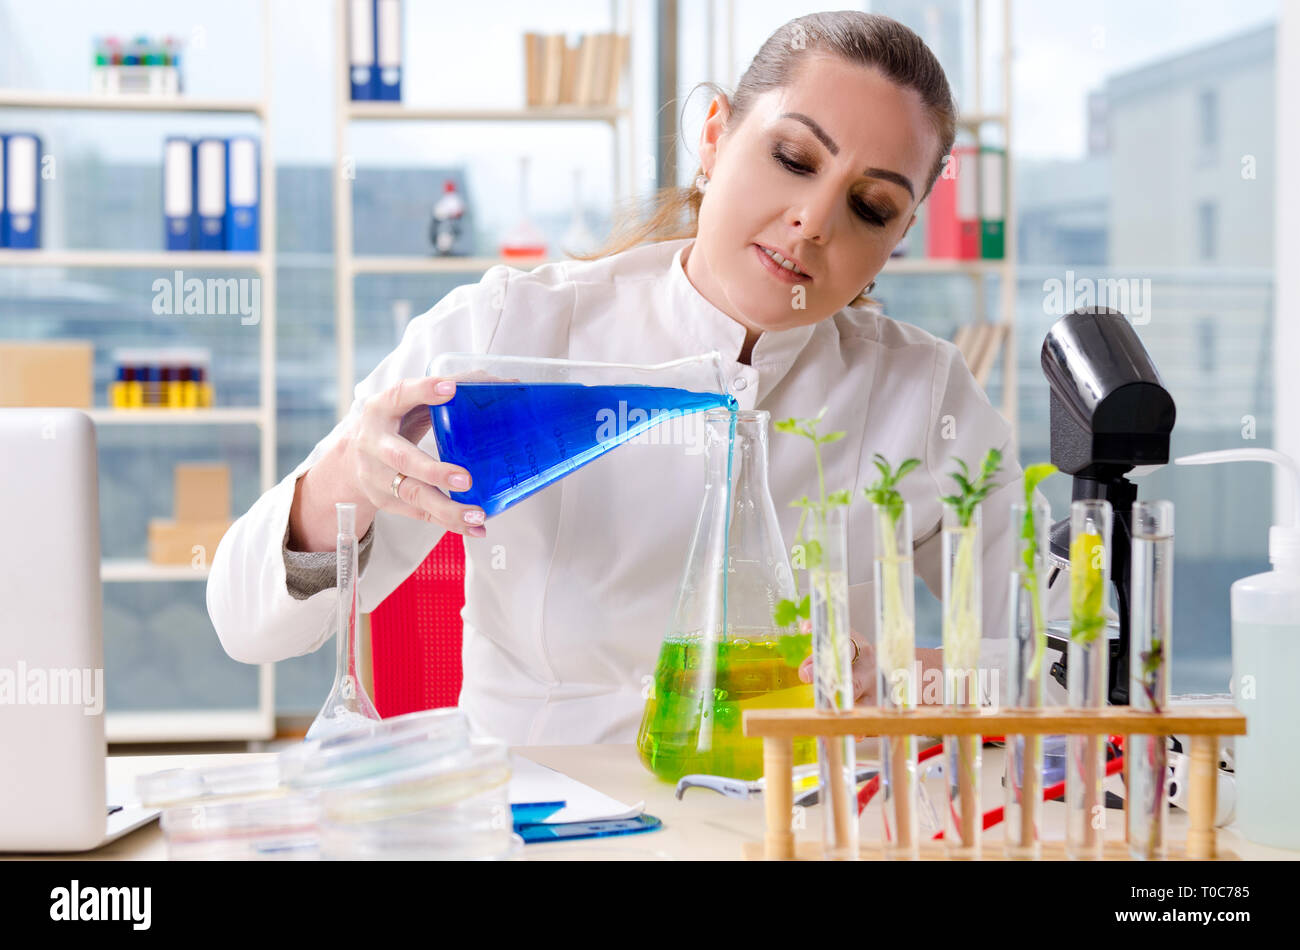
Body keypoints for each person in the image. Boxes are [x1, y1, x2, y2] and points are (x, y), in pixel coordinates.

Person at [208, 11, 1053, 746]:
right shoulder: (511, 330)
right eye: (794, 158)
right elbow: (245, 621)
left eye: (870, 207)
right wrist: (343, 485)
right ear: (715, 136)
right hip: (543, 809)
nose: (813, 222)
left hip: (790, 820)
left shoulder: (922, 392)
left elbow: (1074, 655)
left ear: (898, 237)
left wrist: (913, 679)